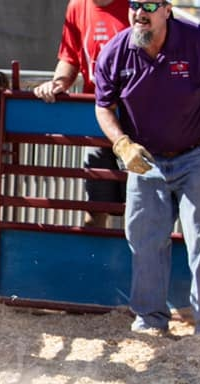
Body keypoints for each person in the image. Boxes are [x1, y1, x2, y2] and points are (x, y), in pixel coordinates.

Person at [93, 1, 200, 335]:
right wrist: (121, 142)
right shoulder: (115, 51)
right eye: (135, 4)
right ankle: (150, 319)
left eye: (149, 5)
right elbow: (103, 106)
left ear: (167, 10)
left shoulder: (199, 41)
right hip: (145, 157)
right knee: (145, 238)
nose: (140, 12)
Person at [33, 0, 130, 229]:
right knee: (96, 207)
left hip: (138, 120)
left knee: (142, 209)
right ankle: (95, 263)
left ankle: (136, 264)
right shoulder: (77, 6)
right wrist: (58, 83)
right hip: (98, 119)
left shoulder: (137, 6)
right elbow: (70, 57)